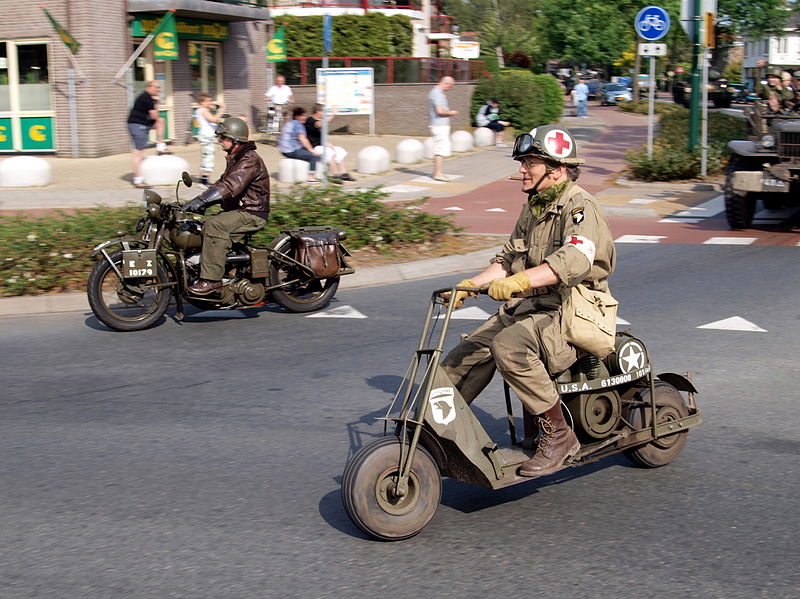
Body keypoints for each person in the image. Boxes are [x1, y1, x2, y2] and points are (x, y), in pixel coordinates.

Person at [440, 125, 616, 478]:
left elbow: (575, 260)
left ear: (557, 169)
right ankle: (438, 434)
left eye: (530, 163)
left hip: (571, 310)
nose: (522, 169)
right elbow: (506, 259)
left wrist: (521, 281)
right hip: (532, 308)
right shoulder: (535, 207)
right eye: (524, 162)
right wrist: (469, 286)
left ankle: (560, 437)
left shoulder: (580, 207)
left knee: (510, 347)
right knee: (461, 359)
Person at [182, 117, 270, 296]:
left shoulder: (249, 159)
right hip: (239, 210)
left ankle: (212, 280)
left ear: (235, 140)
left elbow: (230, 185)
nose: (220, 141)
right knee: (201, 225)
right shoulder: (236, 158)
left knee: (215, 225)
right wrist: (197, 201)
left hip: (252, 212)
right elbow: (220, 184)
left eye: (223, 138)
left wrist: (203, 201)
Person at [127, 80, 167, 187]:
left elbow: (156, 117)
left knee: (161, 121)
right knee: (138, 152)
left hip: (144, 123)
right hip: (137, 124)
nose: (159, 90)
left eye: (160, 87)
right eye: (156, 87)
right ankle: (138, 180)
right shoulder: (146, 97)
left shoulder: (149, 98)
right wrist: (156, 104)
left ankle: (160, 146)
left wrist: (156, 103)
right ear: (149, 87)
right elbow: (154, 116)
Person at [304, 103, 354, 182]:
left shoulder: (317, 121)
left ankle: (344, 173)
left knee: (338, 151)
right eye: (323, 111)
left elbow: (319, 137)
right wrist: (333, 114)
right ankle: (335, 175)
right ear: (317, 111)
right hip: (314, 146)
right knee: (330, 154)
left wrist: (329, 144)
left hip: (321, 145)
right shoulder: (310, 120)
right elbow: (320, 124)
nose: (324, 113)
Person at [278, 106, 322, 183]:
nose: (305, 117)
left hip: (284, 149)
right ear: (297, 116)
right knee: (313, 156)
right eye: (302, 116)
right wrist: (311, 150)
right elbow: (303, 139)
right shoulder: (298, 124)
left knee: (308, 151)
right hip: (291, 150)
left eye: (305, 115)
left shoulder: (290, 123)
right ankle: (311, 178)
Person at [428, 75, 458, 182]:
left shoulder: (434, 92)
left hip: (437, 124)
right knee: (441, 149)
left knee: (440, 148)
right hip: (440, 125)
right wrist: (451, 112)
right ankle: (438, 173)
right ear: (446, 83)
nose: (450, 88)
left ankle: (437, 172)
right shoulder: (438, 94)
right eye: (450, 86)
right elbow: (440, 111)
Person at [193, 93, 225, 186]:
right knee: (208, 158)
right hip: (207, 136)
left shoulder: (200, 110)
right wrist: (221, 110)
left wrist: (214, 107)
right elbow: (213, 119)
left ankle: (204, 179)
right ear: (202, 102)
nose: (210, 103)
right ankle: (204, 181)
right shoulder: (203, 110)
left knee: (207, 157)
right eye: (208, 101)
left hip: (206, 136)